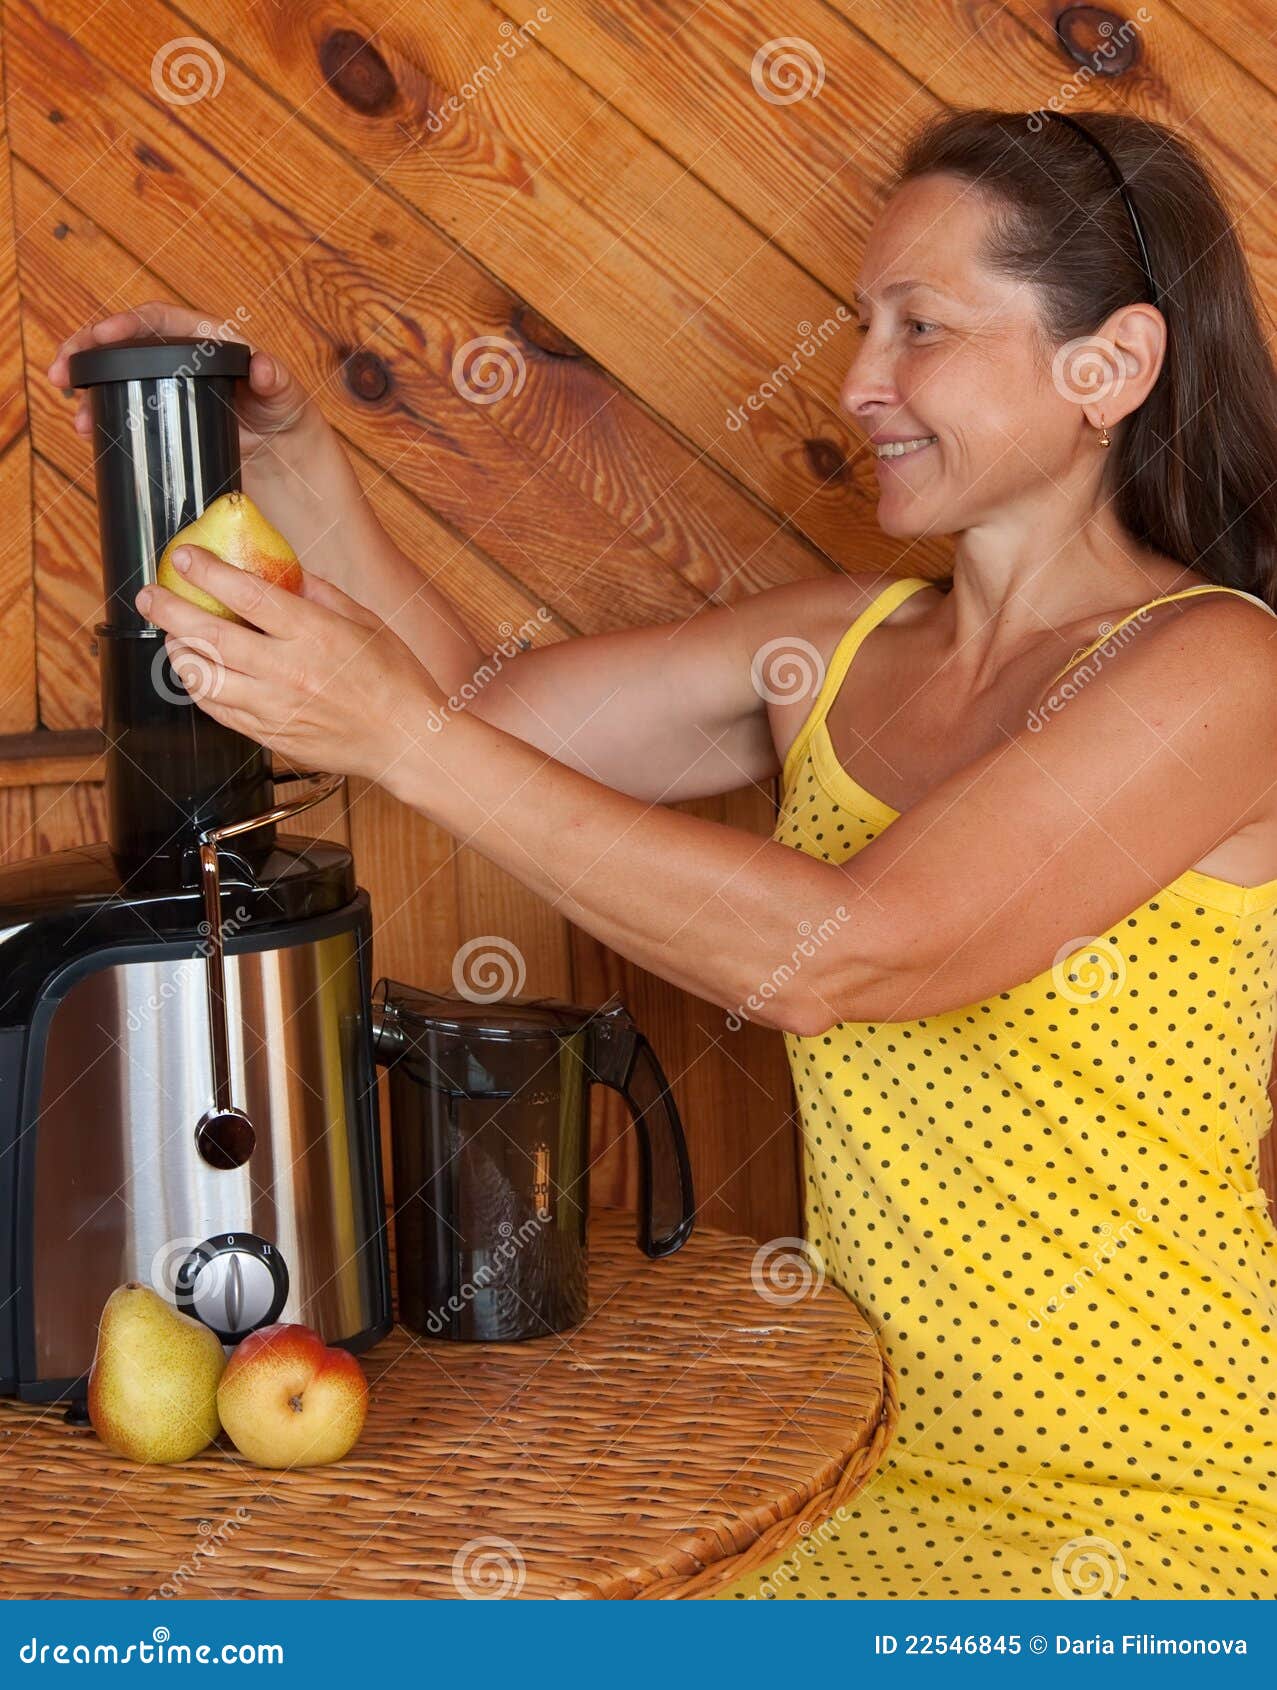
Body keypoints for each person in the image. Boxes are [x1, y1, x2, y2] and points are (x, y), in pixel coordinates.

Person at [48, 105, 1277, 1599]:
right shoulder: (835, 647)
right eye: (857, 325)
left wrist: (395, 738)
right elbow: (487, 721)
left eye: (920, 328)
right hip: (836, 1460)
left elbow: (842, 953)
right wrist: (299, 466)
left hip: (1151, 1498)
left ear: (1111, 366)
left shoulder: (1219, 670)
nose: (855, 381)